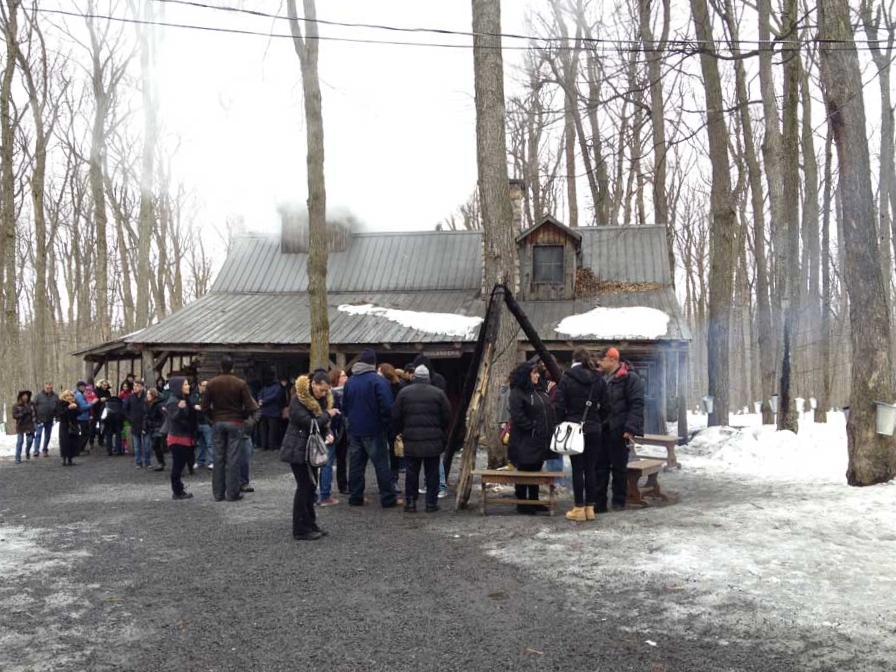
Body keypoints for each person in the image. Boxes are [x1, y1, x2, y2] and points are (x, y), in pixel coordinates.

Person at [280, 370, 337, 540]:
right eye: (322, 389)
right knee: (304, 487)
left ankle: (310, 523)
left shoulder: (317, 399)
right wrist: (328, 414)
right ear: (313, 384)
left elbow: (318, 423)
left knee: (311, 487)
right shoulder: (298, 399)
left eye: (327, 390)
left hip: (308, 450)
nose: (325, 393)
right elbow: (309, 423)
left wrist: (327, 431)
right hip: (298, 450)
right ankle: (299, 529)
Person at [554, 347, 609, 522]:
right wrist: (596, 421)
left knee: (578, 469)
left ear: (574, 359)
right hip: (594, 429)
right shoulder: (598, 378)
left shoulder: (566, 377)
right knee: (591, 469)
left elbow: (560, 405)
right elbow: (607, 406)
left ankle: (578, 508)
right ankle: (590, 508)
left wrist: (562, 421)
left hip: (574, 428)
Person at [343, 349, 400, 508]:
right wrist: (385, 424)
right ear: (373, 363)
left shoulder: (350, 381)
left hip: (355, 429)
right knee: (381, 465)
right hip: (374, 429)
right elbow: (387, 407)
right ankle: (388, 498)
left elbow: (345, 406)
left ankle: (356, 497)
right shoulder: (379, 381)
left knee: (356, 465)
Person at [391, 365, 452, 513]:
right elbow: (448, 416)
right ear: (428, 378)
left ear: (415, 377)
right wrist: (439, 429)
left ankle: (411, 502)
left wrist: (401, 431)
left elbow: (396, 416)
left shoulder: (404, 393)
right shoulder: (438, 393)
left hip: (411, 439)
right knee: (432, 473)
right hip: (433, 439)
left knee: (411, 472)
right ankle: (431, 503)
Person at [595, 346, 645, 512]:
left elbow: (636, 404)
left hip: (620, 429)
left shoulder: (630, 378)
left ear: (612, 359)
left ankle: (618, 501)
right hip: (602, 428)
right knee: (600, 468)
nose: (598, 363)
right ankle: (599, 502)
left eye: (601, 360)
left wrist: (630, 428)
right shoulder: (601, 378)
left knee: (619, 468)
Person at [202, 355, 258, 502]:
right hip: (235, 422)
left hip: (218, 422)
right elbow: (250, 405)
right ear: (233, 368)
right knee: (233, 459)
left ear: (220, 367)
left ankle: (218, 494)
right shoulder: (240, 383)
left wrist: (211, 420)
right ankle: (233, 493)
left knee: (218, 458)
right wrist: (245, 417)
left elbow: (204, 406)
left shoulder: (212, 383)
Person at [507, 361, 556, 514]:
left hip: (540, 438)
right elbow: (518, 415)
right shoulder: (517, 392)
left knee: (536, 467)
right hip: (525, 440)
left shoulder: (539, 390)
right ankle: (522, 502)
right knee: (525, 468)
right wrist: (532, 427)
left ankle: (534, 500)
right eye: (534, 373)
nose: (537, 375)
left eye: (537, 373)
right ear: (526, 375)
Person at [165, 376, 196, 500]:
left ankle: (179, 488)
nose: (188, 386)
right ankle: (177, 491)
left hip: (184, 436)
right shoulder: (173, 401)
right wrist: (181, 409)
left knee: (181, 464)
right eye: (185, 384)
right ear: (178, 387)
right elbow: (175, 418)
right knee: (177, 467)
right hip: (178, 438)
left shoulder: (183, 399)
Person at [329, 368, 349, 496]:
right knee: (329, 460)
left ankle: (343, 485)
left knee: (342, 459)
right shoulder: (330, 394)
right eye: (343, 375)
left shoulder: (348, 392)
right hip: (334, 428)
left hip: (344, 429)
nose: (346, 377)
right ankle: (326, 487)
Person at [124, 380, 151, 468]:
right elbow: (124, 409)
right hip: (135, 423)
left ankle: (147, 461)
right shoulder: (130, 397)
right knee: (136, 446)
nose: (135, 388)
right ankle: (138, 462)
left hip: (145, 423)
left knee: (147, 445)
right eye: (134, 386)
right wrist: (130, 418)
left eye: (138, 386)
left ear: (142, 387)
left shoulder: (147, 396)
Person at [190, 380, 214, 470]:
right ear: (199, 386)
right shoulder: (194, 394)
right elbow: (192, 404)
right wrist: (196, 406)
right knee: (200, 444)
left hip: (207, 422)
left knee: (210, 443)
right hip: (197, 422)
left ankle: (212, 461)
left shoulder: (210, 395)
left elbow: (209, 406)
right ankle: (200, 461)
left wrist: (200, 406)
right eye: (204, 385)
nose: (206, 387)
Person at [239, 402, 262, 494]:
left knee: (245, 459)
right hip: (227, 431)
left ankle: (243, 482)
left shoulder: (244, 393)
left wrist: (250, 422)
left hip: (244, 432)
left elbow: (257, 409)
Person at [258, 376, 285, 451]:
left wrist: (261, 400)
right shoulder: (278, 387)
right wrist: (265, 401)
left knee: (264, 429)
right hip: (273, 411)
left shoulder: (264, 387)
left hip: (264, 410)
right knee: (272, 429)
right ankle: (271, 446)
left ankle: (264, 445)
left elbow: (260, 394)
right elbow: (275, 396)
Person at [33, 382, 59, 457]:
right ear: (44, 388)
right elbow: (33, 406)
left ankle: (45, 449)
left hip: (50, 418)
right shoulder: (38, 396)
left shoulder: (55, 396)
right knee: (38, 434)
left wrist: (57, 417)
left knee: (47, 435)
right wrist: (34, 417)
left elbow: (57, 407)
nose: (49, 390)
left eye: (51, 388)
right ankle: (36, 450)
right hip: (39, 419)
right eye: (47, 388)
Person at [56, 390, 80, 466]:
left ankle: (70, 458)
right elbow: (60, 414)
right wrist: (68, 408)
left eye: (71, 396)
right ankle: (64, 458)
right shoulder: (60, 403)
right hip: (64, 425)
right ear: (64, 397)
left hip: (73, 424)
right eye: (67, 396)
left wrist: (75, 408)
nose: (69, 397)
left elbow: (80, 412)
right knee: (64, 442)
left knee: (73, 442)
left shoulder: (75, 403)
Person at [145, 387, 167, 472]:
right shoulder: (148, 404)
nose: (148, 396)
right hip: (152, 427)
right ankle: (161, 462)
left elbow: (163, 417)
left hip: (158, 428)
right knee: (156, 446)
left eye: (149, 394)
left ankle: (161, 463)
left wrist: (162, 427)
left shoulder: (159, 405)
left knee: (156, 445)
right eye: (147, 394)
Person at [13, 390, 36, 463]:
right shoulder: (16, 405)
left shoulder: (31, 404)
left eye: (26, 395)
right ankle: (17, 457)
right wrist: (22, 414)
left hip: (30, 424)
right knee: (20, 442)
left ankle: (27, 451)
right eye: (24, 396)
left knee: (30, 440)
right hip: (20, 425)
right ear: (21, 397)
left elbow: (35, 412)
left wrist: (37, 420)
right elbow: (14, 415)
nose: (25, 397)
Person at [73, 381, 96, 456]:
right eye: (83, 387)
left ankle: (80, 448)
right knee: (85, 434)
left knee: (85, 433)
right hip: (82, 417)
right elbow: (83, 407)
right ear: (79, 387)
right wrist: (92, 403)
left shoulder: (79, 394)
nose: (85, 388)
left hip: (83, 417)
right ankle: (79, 449)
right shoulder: (79, 395)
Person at [103, 391, 125, 456]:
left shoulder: (107, 404)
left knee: (108, 435)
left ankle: (109, 450)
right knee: (118, 435)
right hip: (118, 420)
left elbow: (103, 415)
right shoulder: (120, 404)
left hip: (108, 421)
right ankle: (118, 450)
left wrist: (103, 420)